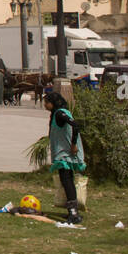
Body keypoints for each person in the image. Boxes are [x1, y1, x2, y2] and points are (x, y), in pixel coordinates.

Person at [45, 91, 85, 225]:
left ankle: (73, 213)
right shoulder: (57, 113)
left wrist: (73, 145)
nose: (45, 104)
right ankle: (71, 211)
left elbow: (75, 125)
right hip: (63, 153)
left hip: (66, 154)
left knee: (67, 181)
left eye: (47, 102)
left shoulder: (60, 113)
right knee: (67, 181)